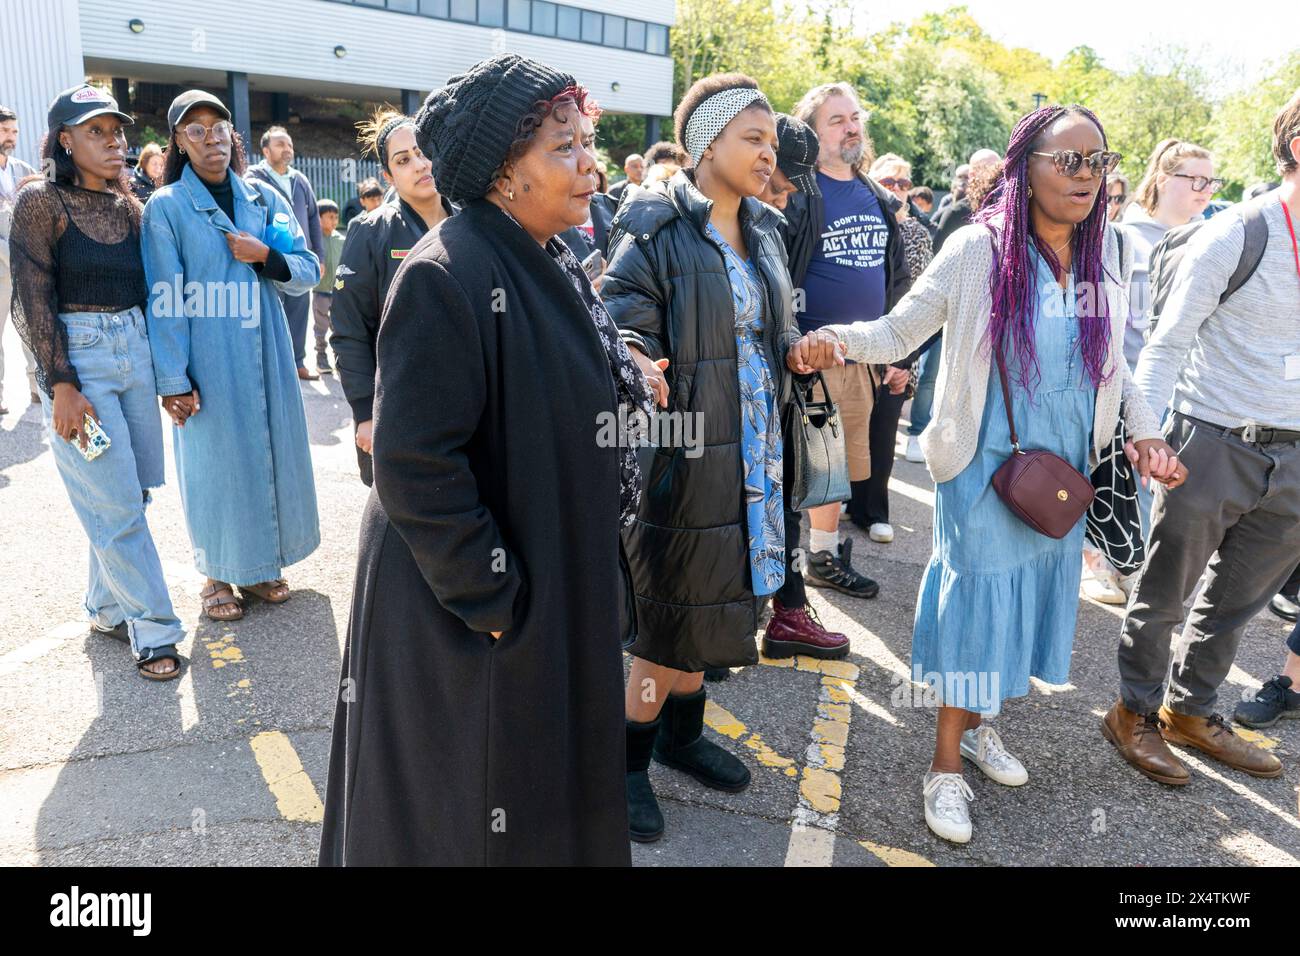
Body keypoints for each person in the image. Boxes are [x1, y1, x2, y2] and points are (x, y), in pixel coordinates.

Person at [795, 104, 1183, 843]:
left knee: (1022, 601)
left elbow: (1115, 367)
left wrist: (1147, 435)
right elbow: (900, 330)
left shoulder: (1108, 256)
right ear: (1023, 166)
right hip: (983, 466)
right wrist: (833, 341)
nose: (1085, 176)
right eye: (1066, 160)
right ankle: (943, 764)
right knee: (976, 608)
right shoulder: (979, 250)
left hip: (1064, 472)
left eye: (1096, 161)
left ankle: (980, 730)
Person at [319, 54, 651, 866]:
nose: (590, 165)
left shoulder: (544, 250)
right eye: (564, 148)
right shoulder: (448, 271)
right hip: (468, 615)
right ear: (504, 170)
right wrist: (497, 598)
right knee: (469, 810)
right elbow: (414, 466)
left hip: (541, 584)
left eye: (585, 142)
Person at [603, 73, 816, 843]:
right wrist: (636, 356)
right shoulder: (654, 229)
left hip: (753, 454)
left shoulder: (763, 229)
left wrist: (796, 350)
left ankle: (681, 738)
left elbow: (765, 331)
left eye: (771, 142)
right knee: (669, 619)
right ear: (705, 145)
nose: (768, 155)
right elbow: (622, 322)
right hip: (684, 456)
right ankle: (626, 764)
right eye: (752, 140)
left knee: (717, 603)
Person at [1104, 90, 1300, 788]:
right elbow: (1164, 345)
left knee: (1237, 604)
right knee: (1166, 594)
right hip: (1213, 440)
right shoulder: (1237, 233)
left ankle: (1193, 712)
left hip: (1294, 457)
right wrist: (1148, 431)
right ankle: (1133, 712)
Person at [8, 85, 184, 679]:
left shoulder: (132, 207)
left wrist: (169, 376)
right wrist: (58, 382)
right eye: (96, 132)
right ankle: (155, 630)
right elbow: (31, 299)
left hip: (135, 354)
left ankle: (105, 606)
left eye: (117, 131)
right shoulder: (41, 202)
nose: (114, 142)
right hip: (79, 365)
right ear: (65, 140)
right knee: (116, 503)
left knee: (126, 497)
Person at [142, 89, 320, 623]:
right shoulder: (166, 209)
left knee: (268, 452)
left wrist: (265, 255)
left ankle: (263, 566)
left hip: (267, 351)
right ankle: (217, 574)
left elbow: (308, 268)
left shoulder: (264, 199)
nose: (210, 137)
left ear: (232, 136)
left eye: (217, 126)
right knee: (216, 464)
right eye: (194, 129)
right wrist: (173, 378)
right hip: (208, 357)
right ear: (178, 141)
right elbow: (164, 299)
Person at [1079, 140, 1219, 604]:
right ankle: (1101, 564)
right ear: (1161, 177)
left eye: (1210, 182)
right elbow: (1091, 314)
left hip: (1186, 391)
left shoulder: (1213, 241)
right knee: (1110, 480)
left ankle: (1129, 566)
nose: (1204, 190)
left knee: (1159, 488)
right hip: (1123, 383)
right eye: (1194, 179)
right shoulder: (1120, 236)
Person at [789, 81, 913, 570]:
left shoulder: (878, 197)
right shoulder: (797, 193)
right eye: (836, 120)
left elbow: (897, 281)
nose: (851, 127)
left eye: (855, 117)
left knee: (840, 467)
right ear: (812, 133)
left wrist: (898, 354)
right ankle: (797, 569)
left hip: (862, 357)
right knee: (811, 465)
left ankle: (821, 557)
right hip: (811, 356)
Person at [760, 111, 852, 660]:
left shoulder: (786, 198)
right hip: (770, 368)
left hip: (784, 363)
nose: (787, 192)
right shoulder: (768, 202)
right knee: (771, 494)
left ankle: (785, 611)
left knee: (782, 493)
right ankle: (774, 613)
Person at [330, 107, 454, 486]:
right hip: (398, 404)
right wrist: (366, 413)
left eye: (423, 151)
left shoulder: (470, 220)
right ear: (389, 175)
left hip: (463, 401)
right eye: (403, 160)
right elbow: (348, 329)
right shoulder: (370, 232)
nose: (419, 164)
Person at [246, 125, 326, 380]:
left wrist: (319, 256)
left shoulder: (300, 180)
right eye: (281, 144)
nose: (287, 149)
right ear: (266, 150)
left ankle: (297, 363)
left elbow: (313, 218)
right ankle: (270, 366)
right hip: (268, 261)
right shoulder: (253, 178)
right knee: (269, 314)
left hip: (297, 261)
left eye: (289, 144)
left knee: (300, 311)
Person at [1, 104, 40, 414]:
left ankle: (37, 385)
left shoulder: (24, 170)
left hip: (24, 264)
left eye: (14, 131)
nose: (11, 137)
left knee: (32, 326)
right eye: (5, 130)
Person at [933, 148, 1001, 252]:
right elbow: (937, 252)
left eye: (999, 170)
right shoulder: (956, 213)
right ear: (972, 175)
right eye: (989, 170)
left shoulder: (1009, 209)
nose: (997, 176)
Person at [311, 198, 344, 375]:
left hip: (338, 291)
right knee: (321, 326)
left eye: (336, 217)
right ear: (318, 218)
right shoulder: (314, 241)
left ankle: (339, 358)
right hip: (320, 292)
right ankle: (321, 357)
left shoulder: (341, 239)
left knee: (338, 326)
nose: (334, 221)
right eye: (329, 217)